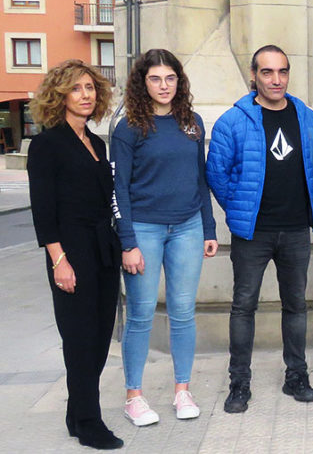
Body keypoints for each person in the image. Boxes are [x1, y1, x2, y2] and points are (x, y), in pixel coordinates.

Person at [206, 45, 313, 413]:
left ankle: (297, 376)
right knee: (244, 306)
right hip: (252, 233)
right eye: (268, 72)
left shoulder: (306, 117)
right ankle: (239, 384)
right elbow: (216, 173)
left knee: (296, 306)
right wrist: (241, 207)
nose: (276, 79)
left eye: (282, 72)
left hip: (294, 230)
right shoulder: (234, 120)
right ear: (254, 75)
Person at [110, 49, 219, 425]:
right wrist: (128, 241)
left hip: (187, 227)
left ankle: (182, 391)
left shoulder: (193, 122)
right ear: (142, 83)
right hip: (144, 229)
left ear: (179, 80)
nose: (164, 86)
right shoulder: (129, 128)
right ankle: (134, 397)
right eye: (155, 79)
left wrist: (208, 228)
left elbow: (199, 178)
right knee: (140, 315)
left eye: (170, 78)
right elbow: (118, 188)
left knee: (183, 313)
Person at [27, 60, 123, 449]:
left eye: (90, 88)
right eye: (76, 89)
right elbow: (43, 210)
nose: (86, 95)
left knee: (100, 337)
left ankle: (74, 411)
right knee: (80, 339)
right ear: (60, 95)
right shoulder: (47, 144)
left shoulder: (96, 142)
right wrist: (59, 261)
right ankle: (88, 422)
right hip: (71, 250)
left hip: (103, 247)